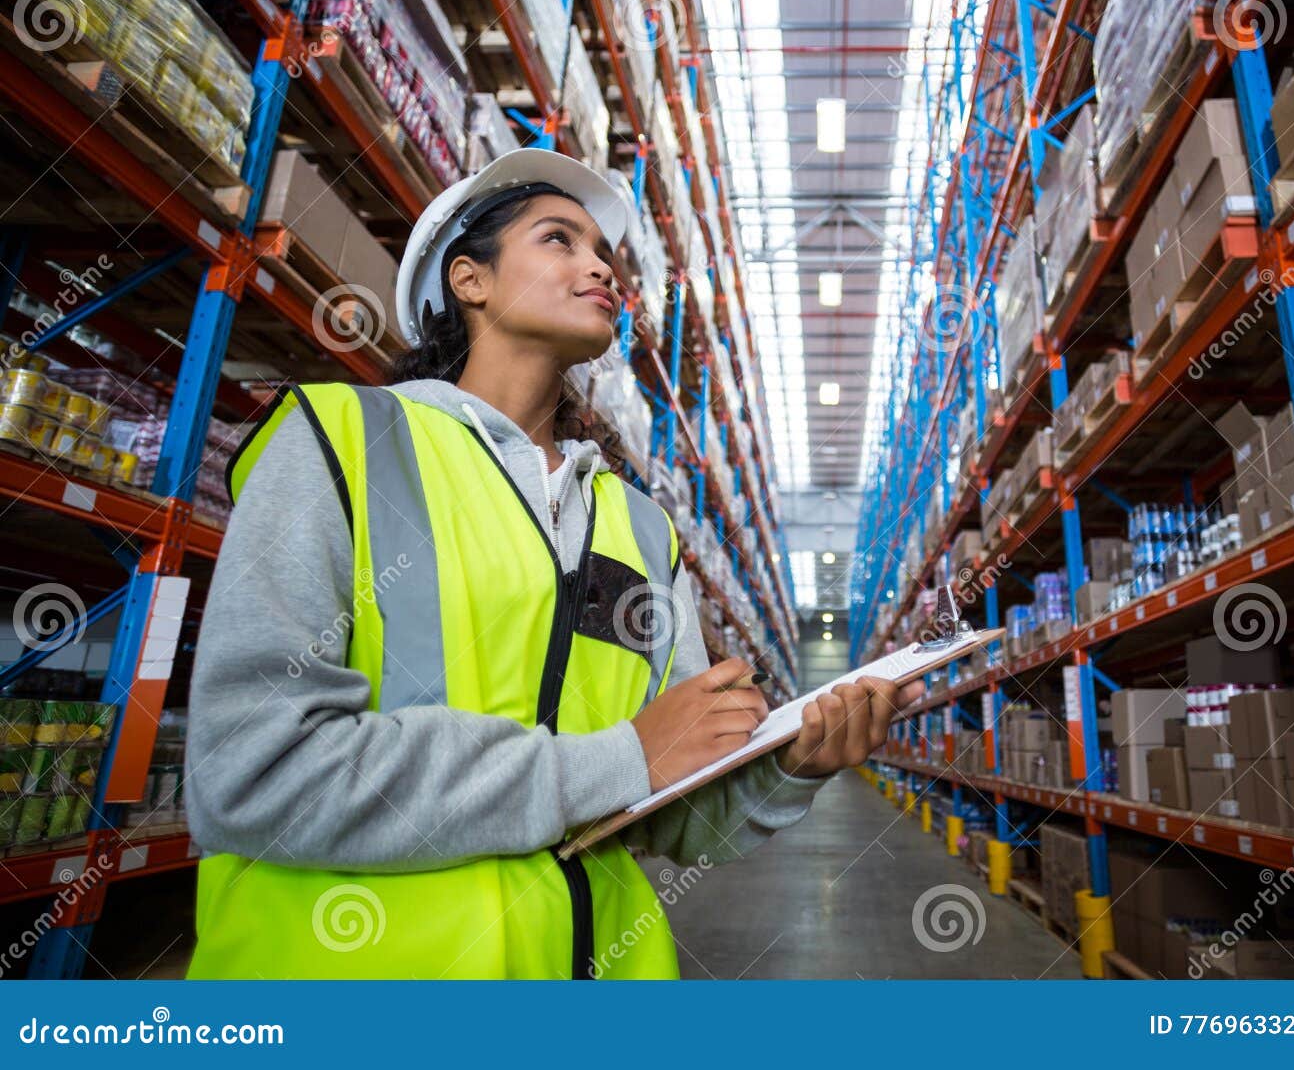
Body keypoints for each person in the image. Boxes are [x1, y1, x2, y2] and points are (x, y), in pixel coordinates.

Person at [183, 148, 924, 979]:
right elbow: (251, 772)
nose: (600, 265)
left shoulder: (642, 529)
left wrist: (787, 767)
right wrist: (616, 760)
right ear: (471, 280)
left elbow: (670, 817)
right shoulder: (341, 441)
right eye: (558, 240)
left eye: (603, 252)